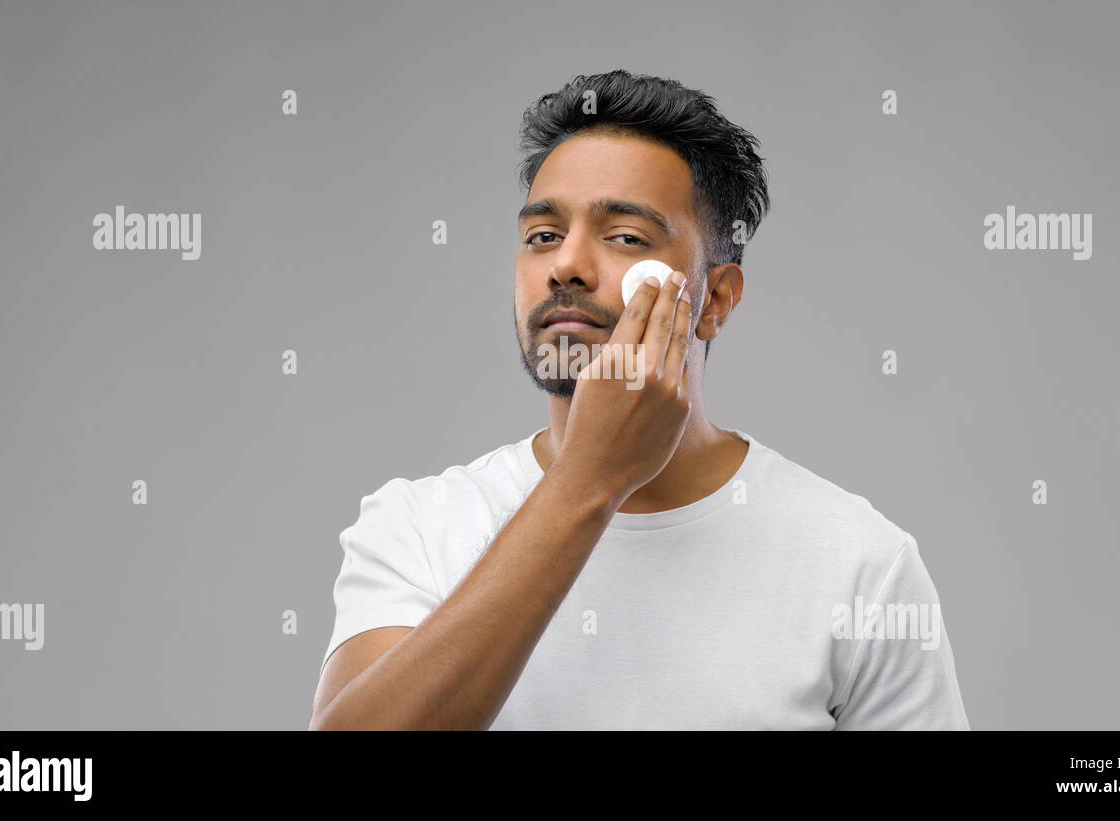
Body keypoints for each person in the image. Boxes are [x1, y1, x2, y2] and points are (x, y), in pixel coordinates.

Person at [310, 69, 970, 730]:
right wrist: (590, 479)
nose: (566, 264)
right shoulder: (417, 528)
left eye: (625, 237)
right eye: (542, 235)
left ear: (715, 299)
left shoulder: (860, 564)